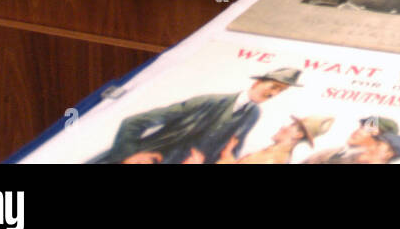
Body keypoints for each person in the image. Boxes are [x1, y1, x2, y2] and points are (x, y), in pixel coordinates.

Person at [89, 67, 301, 164]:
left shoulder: (253, 114)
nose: (273, 94)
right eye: (273, 86)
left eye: (280, 91)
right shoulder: (209, 101)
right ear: (257, 82)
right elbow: (134, 122)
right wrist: (128, 156)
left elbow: (230, 150)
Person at [215, 114, 333, 164]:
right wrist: (228, 153)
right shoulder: (272, 153)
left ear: (298, 135)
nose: (283, 127)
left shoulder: (275, 159)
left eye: (292, 125)